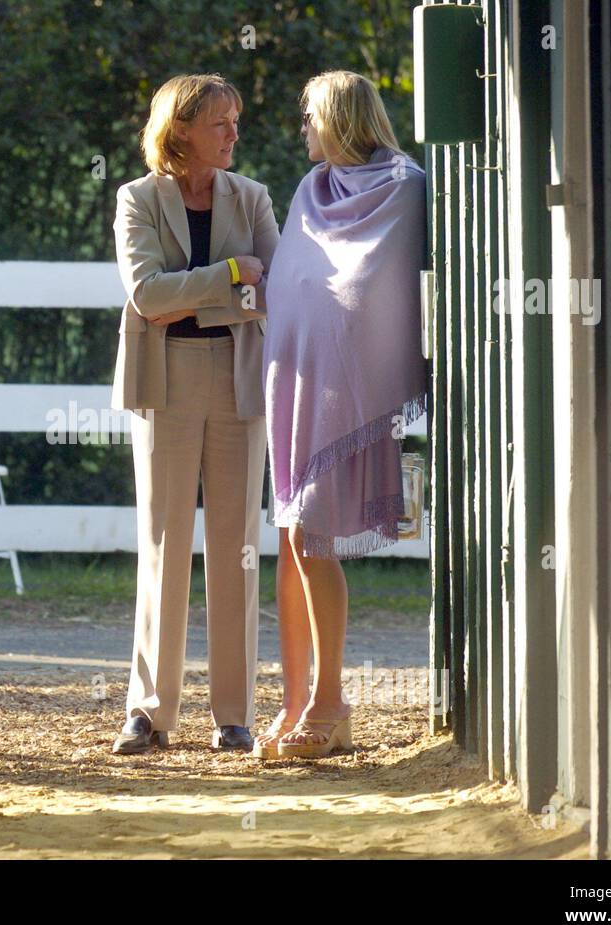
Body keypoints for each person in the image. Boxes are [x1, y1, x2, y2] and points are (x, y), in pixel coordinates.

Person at [255, 70, 427, 759]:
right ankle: (298, 701)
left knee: (315, 539)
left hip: (349, 395)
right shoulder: (310, 189)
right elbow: (294, 279)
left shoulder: (404, 186)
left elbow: (378, 288)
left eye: (308, 118)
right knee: (292, 539)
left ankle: (332, 706)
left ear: (338, 117)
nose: (302, 130)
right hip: (295, 384)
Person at [110, 74, 281, 754]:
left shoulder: (255, 196)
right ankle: (149, 713)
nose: (234, 133)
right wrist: (233, 275)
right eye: (220, 123)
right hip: (166, 379)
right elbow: (149, 297)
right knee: (163, 543)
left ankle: (233, 714)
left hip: (240, 378)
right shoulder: (138, 198)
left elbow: (275, 288)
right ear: (180, 130)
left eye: (236, 120)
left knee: (237, 547)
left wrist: (207, 292)